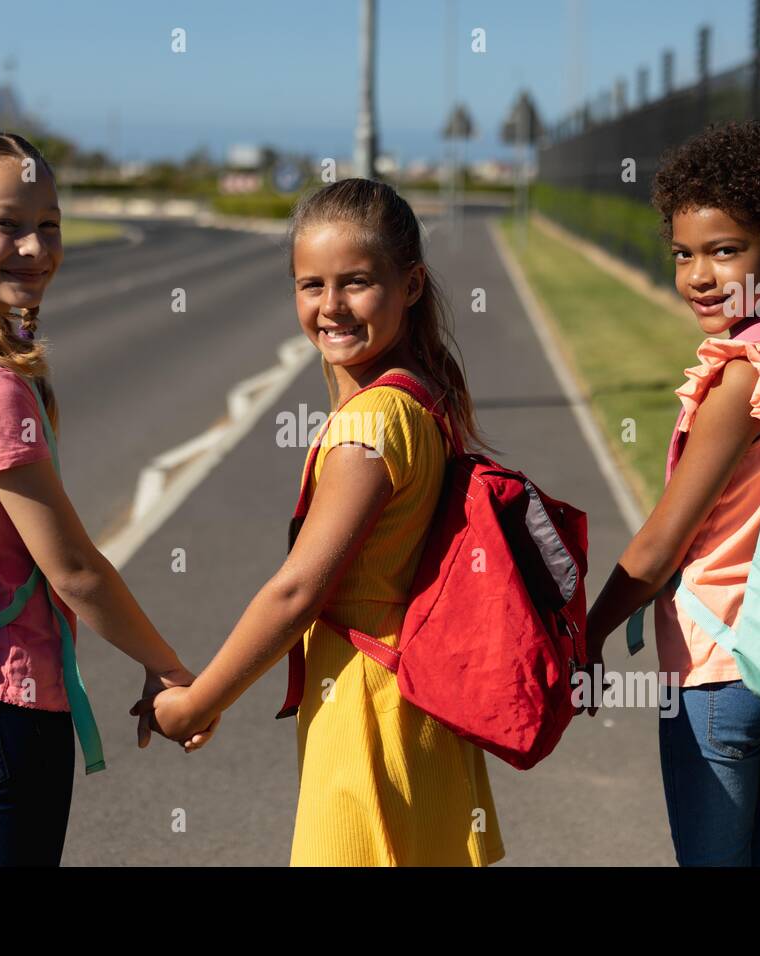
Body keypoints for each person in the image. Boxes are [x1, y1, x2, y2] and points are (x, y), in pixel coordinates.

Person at [133, 178, 504, 866]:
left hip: (369, 714)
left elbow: (296, 592)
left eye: (357, 282)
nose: (330, 306)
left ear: (411, 284)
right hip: (416, 709)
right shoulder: (422, 397)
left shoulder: (371, 423)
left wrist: (196, 703)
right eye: (311, 285)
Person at [0, 130, 210, 866]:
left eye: (50, 223)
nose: (37, 246)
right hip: (4, 703)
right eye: (7, 224)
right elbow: (74, 571)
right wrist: (167, 669)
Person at [583, 121, 760, 866]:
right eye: (684, 254)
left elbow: (658, 547)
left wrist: (585, 634)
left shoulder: (741, 377)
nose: (699, 276)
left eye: (725, 250)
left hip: (719, 670)